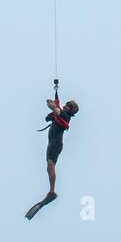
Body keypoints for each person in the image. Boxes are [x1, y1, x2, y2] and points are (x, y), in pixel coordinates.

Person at [26, 84, 79, 219]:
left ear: (71, 110)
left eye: (68, 105)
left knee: (50, 165)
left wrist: (53, 104)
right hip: (52, 144)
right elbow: (54, 106)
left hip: (55, 144)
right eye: (66, 104)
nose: (66, 105)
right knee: (49, 166)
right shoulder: (63, 113)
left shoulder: (65, 115)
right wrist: (55, 94)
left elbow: (52, 106)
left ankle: (52, 191)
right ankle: (51, 191)